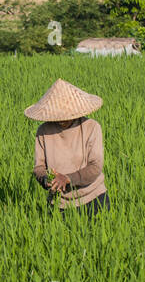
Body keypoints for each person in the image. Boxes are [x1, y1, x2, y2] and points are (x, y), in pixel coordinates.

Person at [26, 79, 109, 217]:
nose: (62, 118)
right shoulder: (43, 131)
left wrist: (67, 178)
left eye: (66, 114)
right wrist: (45, 179)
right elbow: (39, 166)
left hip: (93, 199)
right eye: (58, 114)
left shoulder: (91, 127)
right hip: (59, 202)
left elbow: (95, 166)